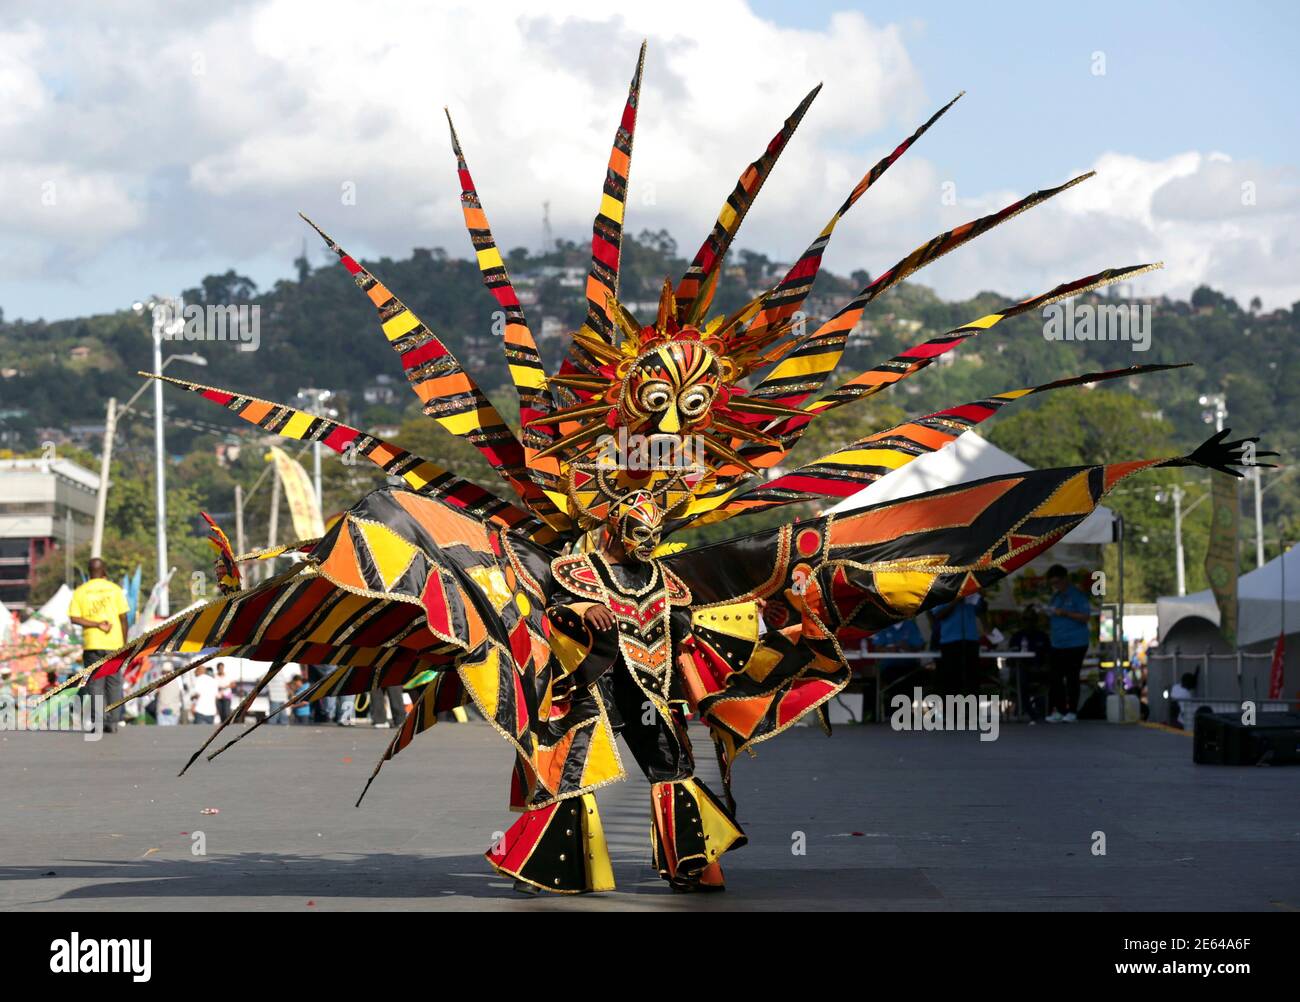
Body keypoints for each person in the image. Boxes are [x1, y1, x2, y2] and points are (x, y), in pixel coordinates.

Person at [68, 557, 130, 734]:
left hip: (92, 645)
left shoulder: (81, 591)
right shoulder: (115, 589)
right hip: (115, 644)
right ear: (104, 572)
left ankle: (98, 722)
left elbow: (73, 617)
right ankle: (113, 721)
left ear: (89, 573)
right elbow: (123, 618)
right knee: (114, 683)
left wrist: (95, 625)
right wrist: (125, 645)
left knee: (94, 683)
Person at [1043, 564, 1092, 722]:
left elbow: (1085, 617)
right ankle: (1059, 710)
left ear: (1065, 579)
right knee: (1055, 677)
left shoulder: (1077, 595)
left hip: (1076, 642)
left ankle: (1072, 711)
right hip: (1057, 642)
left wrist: (1064, 613)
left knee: (1072, 677)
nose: (1055, 586)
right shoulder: (1056, 597)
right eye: (1052, 583)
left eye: (1057, 582)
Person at [929, 594, 983, 698]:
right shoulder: (944, 592)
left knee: (972, 677)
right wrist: (955, 601)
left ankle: (971, 709)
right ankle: (951, 710)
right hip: (950, 641)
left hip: (970, 639)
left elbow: (981, 610)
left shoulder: (971, 591)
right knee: (951, 678)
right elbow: (938, 615)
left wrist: (980, 597)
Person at [1008, 605, 1050, 720]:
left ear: (1036, 621)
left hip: (1039, 669)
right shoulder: (1017, 637)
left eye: (1031, 620)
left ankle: (1045, 709)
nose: (1028, 623)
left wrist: (1043, 667)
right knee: (1019, 676)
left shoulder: (1042, 636)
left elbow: (1048, 656)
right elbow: (1010, 658)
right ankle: (1027, 709)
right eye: (1025, 620)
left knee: (1052, 675)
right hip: (1022, 670)